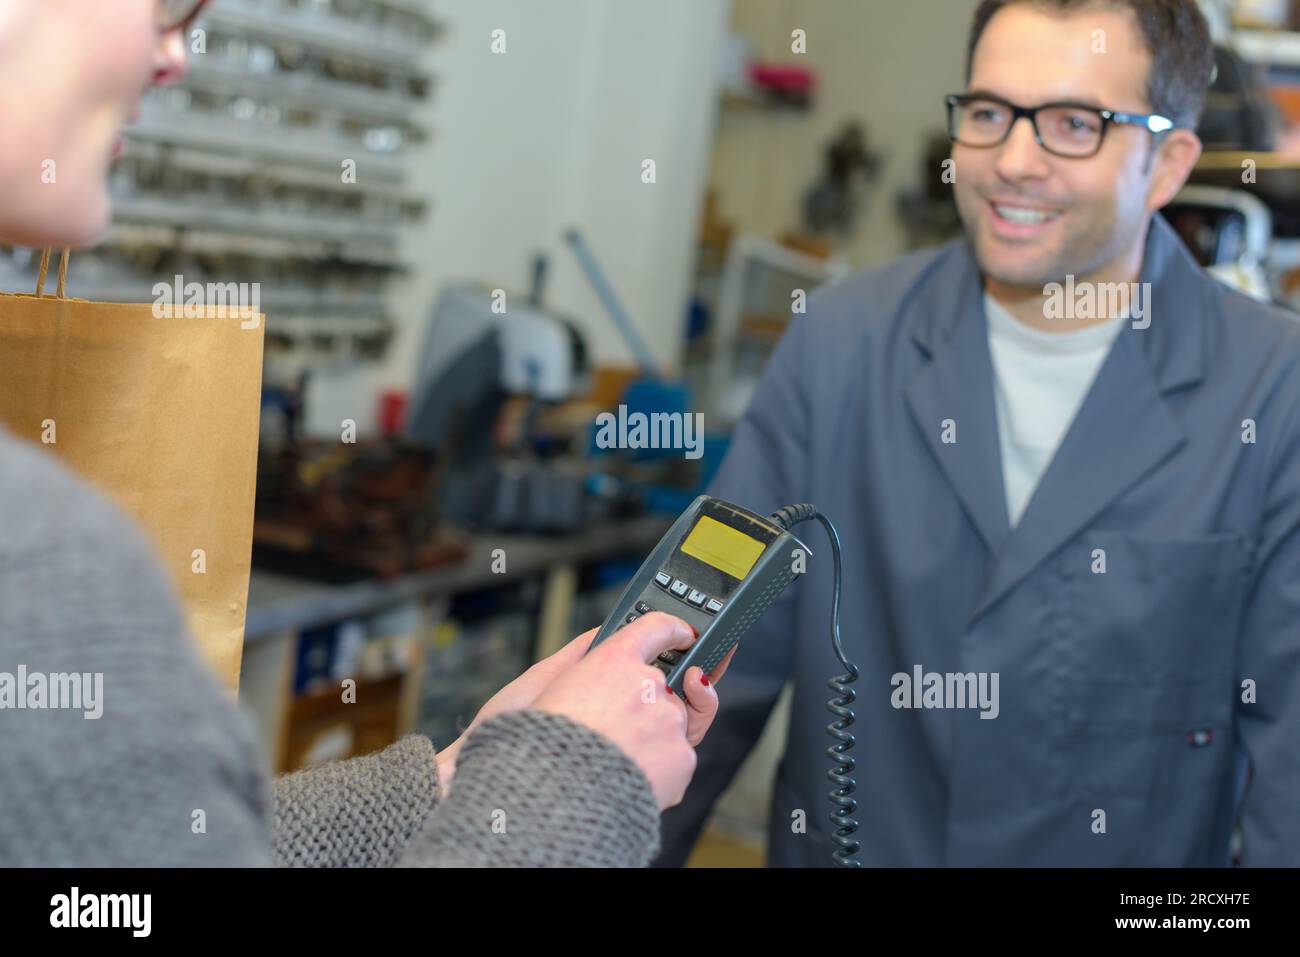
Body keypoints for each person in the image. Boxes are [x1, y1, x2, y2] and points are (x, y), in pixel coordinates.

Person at [0, 0, 731, 867]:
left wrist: (456, 779)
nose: (176, 55)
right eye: (164, 5)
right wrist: (573, 780)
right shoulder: (43, 556)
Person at [658, 0, 1300, 867]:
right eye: (991, 114)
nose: (1013, 162)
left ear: (1165, 164)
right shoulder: (842, 341)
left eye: (1075, 124)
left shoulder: (1273, 389)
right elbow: (699, 673)